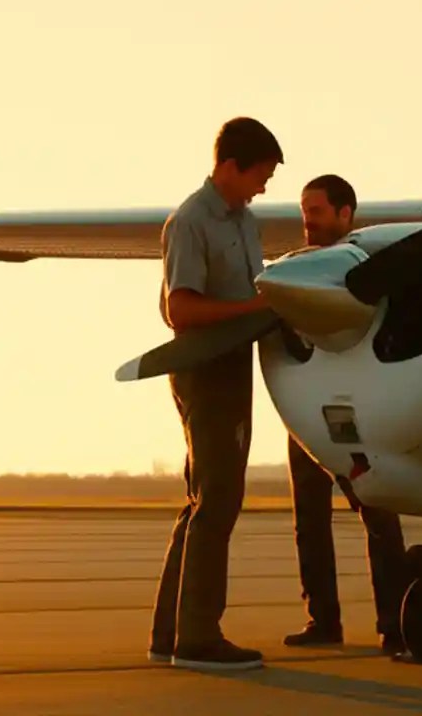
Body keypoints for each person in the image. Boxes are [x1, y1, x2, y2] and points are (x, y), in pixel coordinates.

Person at [147, 116, 282, 671]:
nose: (264, 187)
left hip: (234, 367)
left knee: (204, 499)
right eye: (261, 175)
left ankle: (169, 633)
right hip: (205, 370)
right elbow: (181, 311)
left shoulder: (244, 221)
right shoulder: (191, 222)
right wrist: (256, 308)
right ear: (230, 166)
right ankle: (199, 638)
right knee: (218, 500)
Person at [281, 173, 411, 656]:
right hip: (304, 412)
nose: (307, 223)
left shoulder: (372, 266)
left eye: (316, 212)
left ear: (345, 214)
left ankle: (395, 624)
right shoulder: (296, 268)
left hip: (354, 415)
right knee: (309, 520)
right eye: (303, 213)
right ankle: (322, 619)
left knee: (376, 511)